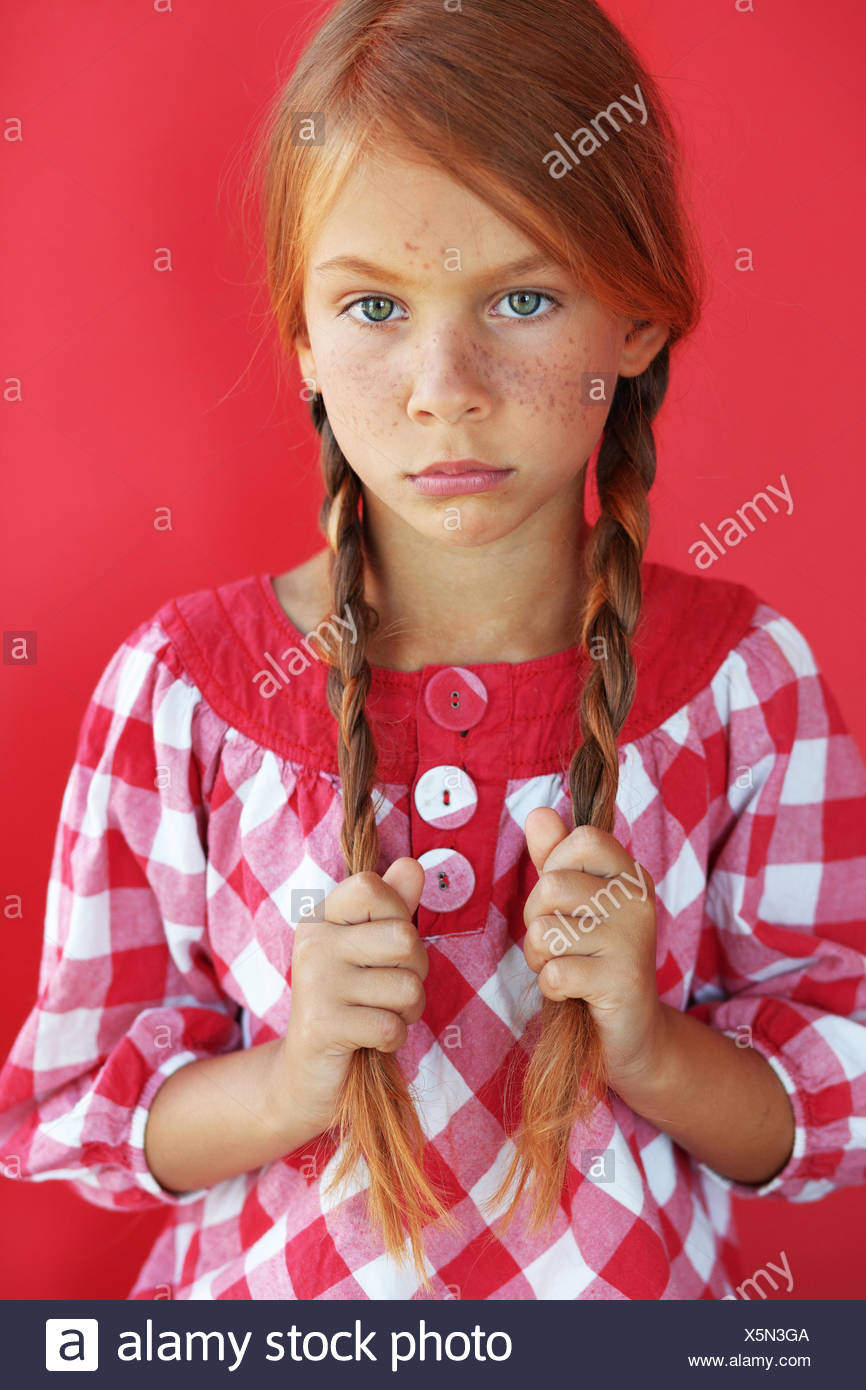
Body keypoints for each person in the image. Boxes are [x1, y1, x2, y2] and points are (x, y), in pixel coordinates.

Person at [1, 0, 865, 1301]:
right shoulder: (179, 694)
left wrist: (646, 1042)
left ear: (636, 319)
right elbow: (84, 1104)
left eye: (522, 296)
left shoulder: (747, 686)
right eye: (371, 306)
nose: (442, 382)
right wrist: (293, 1075)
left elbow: (832, 1092)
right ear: (301, 336)